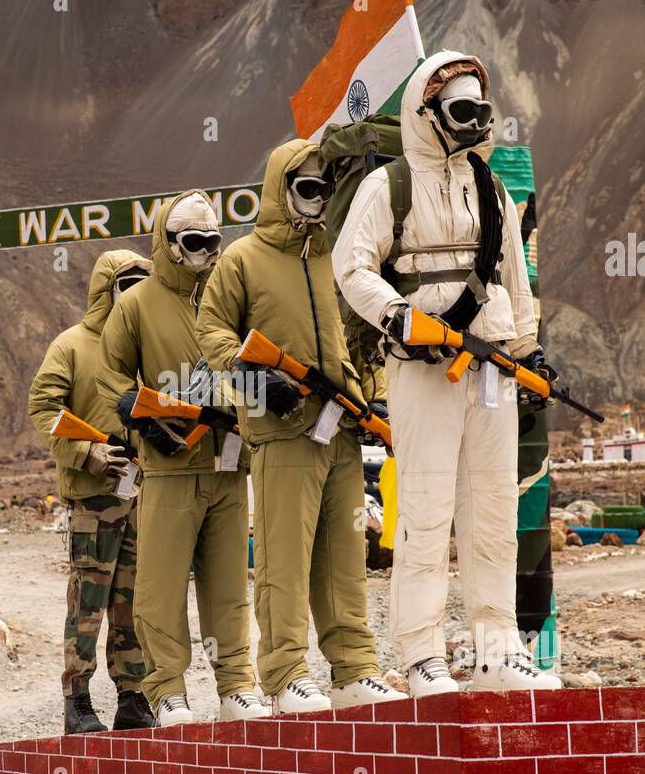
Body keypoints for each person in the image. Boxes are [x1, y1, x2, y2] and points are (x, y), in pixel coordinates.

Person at [332, 49, 562, 694]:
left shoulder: (489, 187)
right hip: (423, 370)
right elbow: (352, 267)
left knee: (493, 507)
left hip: (489, 369)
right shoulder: (389, 187)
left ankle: (498, 648)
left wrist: (526, 347)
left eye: (479, 109)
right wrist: (399, 316)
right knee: (426, 509)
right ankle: (421, 656)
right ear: (426, 111)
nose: (475, 121)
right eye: (461, 109)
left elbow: (512, 276)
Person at [196, 142, 404, 714]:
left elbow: (356, 340)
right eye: (307, 187)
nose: (318, 198)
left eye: (324, 188)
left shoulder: (338, 255)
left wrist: (375, 399)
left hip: (342, 429)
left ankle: (353, 670)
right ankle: (286, 674)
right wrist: (252, 377)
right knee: (283, 560)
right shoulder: (241, 260)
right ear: (280, 188)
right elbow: (211, 331)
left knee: (345, 558)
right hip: (282, 430)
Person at [96, 190, 269, 727]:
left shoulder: (230, 296)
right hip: (170, 466)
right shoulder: (137, 305)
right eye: (193, 240)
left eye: (212, 241)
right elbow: (110, 374)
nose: (204, 251)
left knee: (229, 587)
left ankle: (236, 685)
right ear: (169, 242)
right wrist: (136, 412)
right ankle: (168, 689)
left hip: (229, 465)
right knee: (160, 588)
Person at [28, 248, 156, 734]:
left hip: (141, 494)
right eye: (128, 283)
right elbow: (44, 409)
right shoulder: (71, 345)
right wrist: (86, 453)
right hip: (93, 498)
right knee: (88, 601)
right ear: (107, 289)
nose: (137, 294)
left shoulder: (143, 347)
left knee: (135, 602)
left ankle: (132, 696)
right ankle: (77, 700)